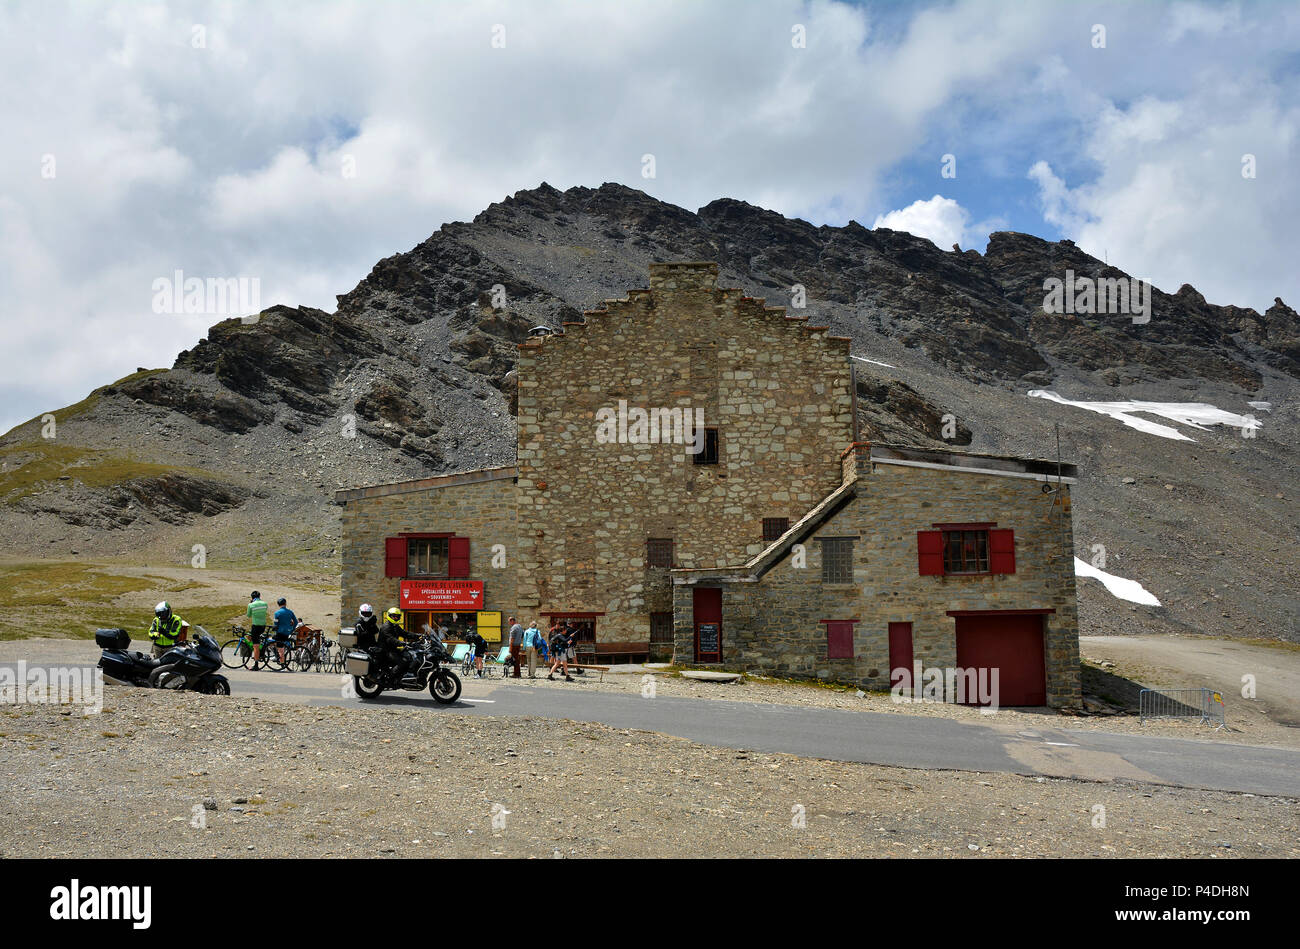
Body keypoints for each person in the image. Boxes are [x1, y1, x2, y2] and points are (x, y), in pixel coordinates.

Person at [377, 606, 415, 681]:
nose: (395, 618)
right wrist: (403, 643)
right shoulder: (386, 627)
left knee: (408, 656)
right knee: (402, 662)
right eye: (394, 616)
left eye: (397, 616)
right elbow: (391, 639)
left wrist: (419, 636)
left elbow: (405, 633)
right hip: (386, 650)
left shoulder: (395, 626)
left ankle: (402, 676)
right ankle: (390, 678)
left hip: (393, 649)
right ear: (389, 616)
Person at [271, 597, 297, 665]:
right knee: (282, 646)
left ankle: (280, 660)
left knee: (273, 642)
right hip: (288, 632)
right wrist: (292, 629)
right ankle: (280, 656)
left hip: (280, 632)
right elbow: (296, 622)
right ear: (285, 603)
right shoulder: (290, 612)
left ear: (278, 604)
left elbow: (275, 624)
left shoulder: (277, 613)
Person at [246, 591, 269, 664]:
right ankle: (261, 653)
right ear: (259, 596)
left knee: (255, 645)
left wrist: (251, 603)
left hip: (255, 625)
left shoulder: (251, 604)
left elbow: (248, 615)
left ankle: (256, 664)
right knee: (258, 641)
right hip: (263, 626)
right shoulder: (265, 604)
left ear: (252, 597)